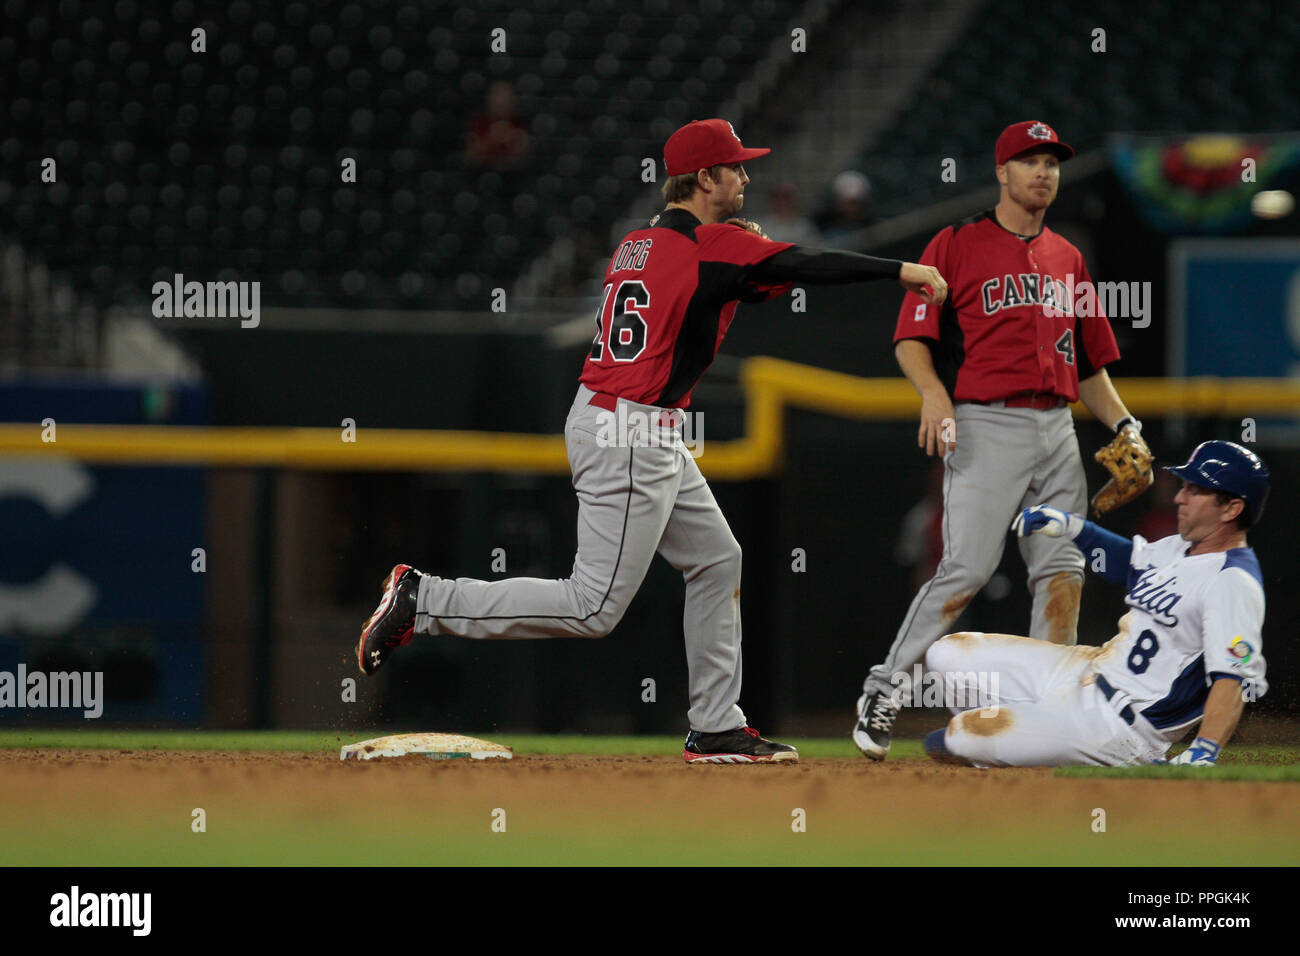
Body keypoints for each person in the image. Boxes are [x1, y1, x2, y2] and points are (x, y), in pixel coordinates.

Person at [356, 118, 947, 764]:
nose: (746, 177)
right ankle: (426, 598)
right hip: (631, 427)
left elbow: (736, 279)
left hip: (625, 417)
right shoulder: (712, 247)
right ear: (704, 178)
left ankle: (716, 723)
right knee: (592, 606)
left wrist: (748, 260)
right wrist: (902, 270)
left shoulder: (636, 243)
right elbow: (803, 263)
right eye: (735, 167)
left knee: (718, 559)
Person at [853, 120, 1147, 760]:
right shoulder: (955, 243)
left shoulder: (1068, 257)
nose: (1043, 171)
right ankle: (884, 691)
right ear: (1001, 172)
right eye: (1029, 160)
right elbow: (912, 338)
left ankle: (1046, 715)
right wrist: (935, 394)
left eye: (1052, 162)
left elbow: (1090, 365)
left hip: (1058, 425)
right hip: (986, 421)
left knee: (1062, 569)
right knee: (965, 567)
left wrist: (1126, 424)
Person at [922, 440, 1270, 767]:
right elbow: (1122, 564)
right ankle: (1033, 739)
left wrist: (1204, 750)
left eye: (1196, 490)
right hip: (1085, 670)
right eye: (1184, 486)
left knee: (957, 735)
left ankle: (1030, 744)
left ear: (1232, 508)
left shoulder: (1233, 582)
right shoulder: (1179, 547)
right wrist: (1073, 528)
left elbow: (1232, 679)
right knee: (946, 653)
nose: (1180, 497)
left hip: (1118, 727)